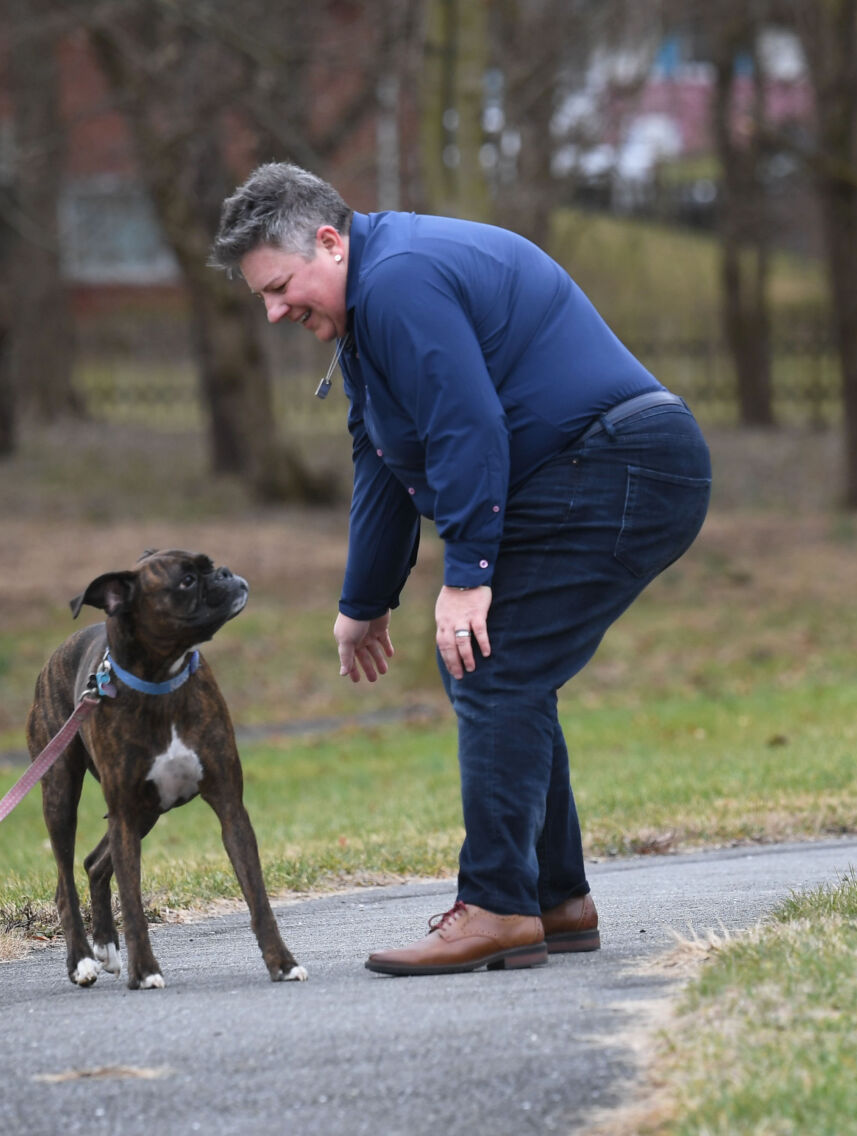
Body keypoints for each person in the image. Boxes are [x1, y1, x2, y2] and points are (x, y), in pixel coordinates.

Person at [209, 163, 710, 976]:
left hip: (624, 463)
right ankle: (552, 899)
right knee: (499, 667)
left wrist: (468, 575)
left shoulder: (399, 284)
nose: (273, 310)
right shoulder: (368, 312)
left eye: (280, 286)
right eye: (262, 296)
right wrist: (364, 601)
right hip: (597, 468)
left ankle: (499, 906)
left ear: (329, 243)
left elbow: (468, 425)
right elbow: (383, 460)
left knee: (494, 665)